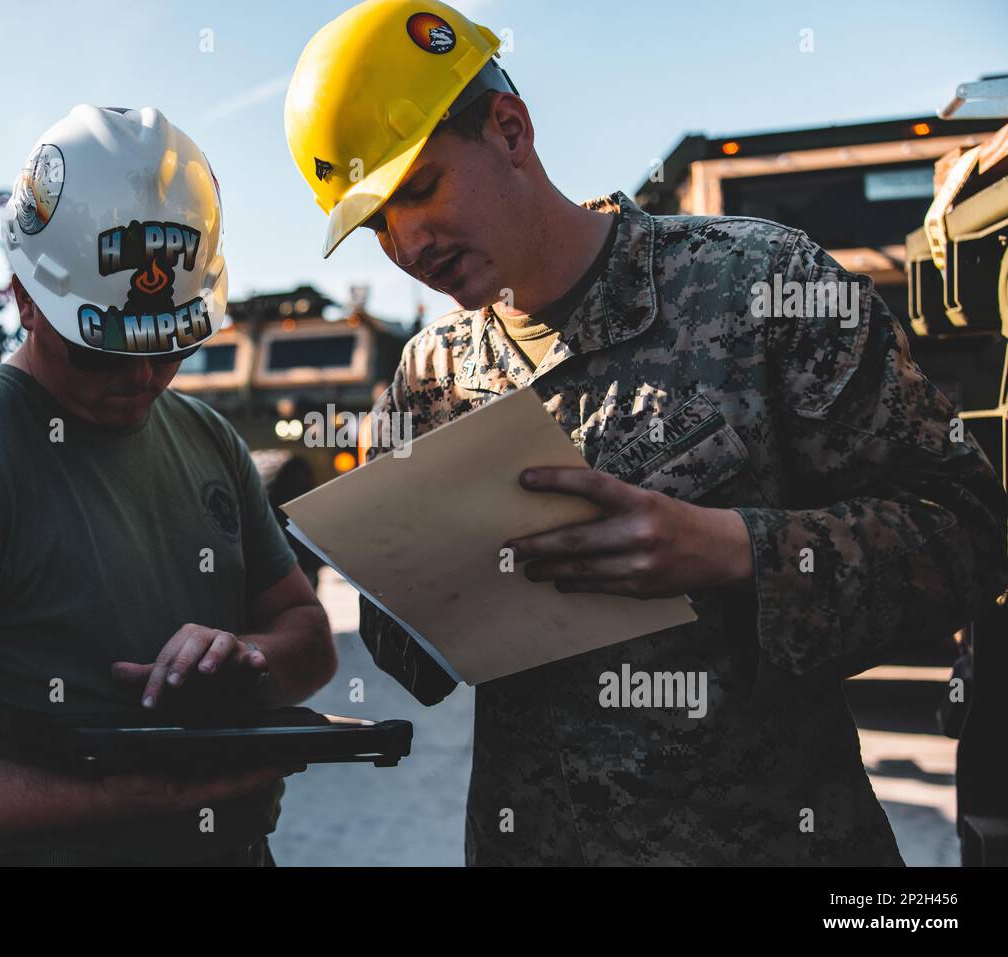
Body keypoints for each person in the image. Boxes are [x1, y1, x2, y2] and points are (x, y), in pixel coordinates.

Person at [285, 0, 1008, 865]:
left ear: (509, 129)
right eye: (375, 222)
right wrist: (405, 576)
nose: (407, 241)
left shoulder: (760, 285)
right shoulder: (429, 378)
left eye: (418, 188)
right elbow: (407, 656)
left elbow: (969, 535)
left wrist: (733, 550)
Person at [0, 105, 336, 866]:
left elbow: (310, 640)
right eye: (103, 350)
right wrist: (110, 799)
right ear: (24, 299)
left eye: (171, 345)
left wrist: (245, 658)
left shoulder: (207, 439)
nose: (141, 377)